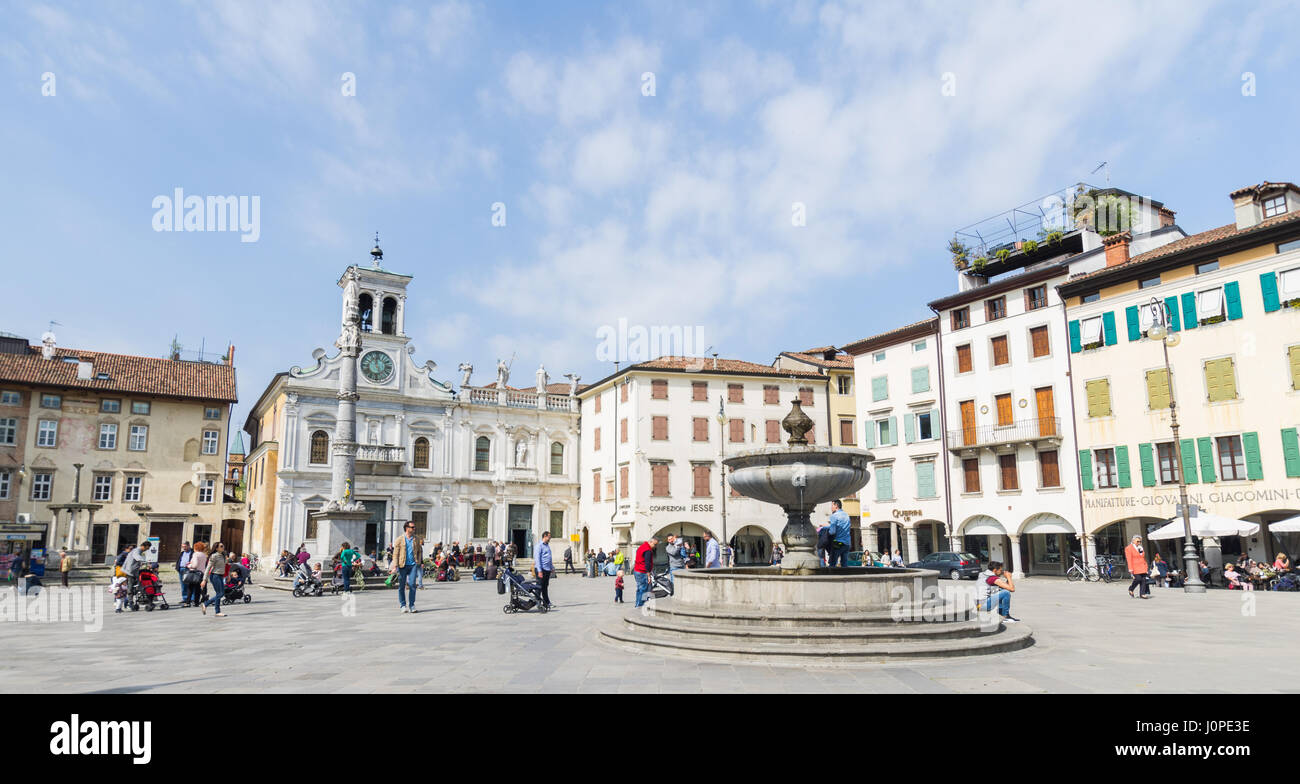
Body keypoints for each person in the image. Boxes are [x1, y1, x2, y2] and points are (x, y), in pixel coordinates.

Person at [390, 520, 424, 613]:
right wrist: (395, 566)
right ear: (407, 528)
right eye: (412, 527)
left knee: (412, 585)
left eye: (414, 527)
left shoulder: (416, 539)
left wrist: (420, 561)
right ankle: (403, 605)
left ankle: (412, 605)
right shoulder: (399, 539)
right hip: (402, 565)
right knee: (401, 585)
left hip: (413, 565)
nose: (414, 529)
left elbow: (420, 550)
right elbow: (395, 554)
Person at [200, 541, 229, 617]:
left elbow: (226, 566)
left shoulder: (223, 555)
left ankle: (217, 611)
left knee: (219, 593)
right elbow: (208, 568)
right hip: (215, 576)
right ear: (216, 548)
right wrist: (204, 580)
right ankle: (205, 604)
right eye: (221, 546)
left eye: (223, 546)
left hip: (220, 576)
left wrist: (228, 575)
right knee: (221, 593)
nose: (223, 547)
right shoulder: (213, 556)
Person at [825, 500, 851, 567]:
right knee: (844, 564)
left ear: (836, 506)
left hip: (838, 543)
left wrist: (826, 530)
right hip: (847, 543)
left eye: (832, 505)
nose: (831, 507)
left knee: (832, 564)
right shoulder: (846, 515)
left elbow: (832, 532)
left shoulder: (834, 516)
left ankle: (831, 577)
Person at [633, 536, 658, 607]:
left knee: (639, 589)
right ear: (650, 542)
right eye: (654, 544)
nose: (655, 546)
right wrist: (648, 575)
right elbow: (647, 563)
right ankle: (640, 605)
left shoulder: (642, 546)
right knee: (643, 590)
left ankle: (637, 604)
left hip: (637, 570)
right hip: (642, 572)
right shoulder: (647, 550)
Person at [535, 531, 554, 609]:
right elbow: (537, 559)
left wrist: (552, 567)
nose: (550, 538)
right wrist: (539, 570)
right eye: (549, 536)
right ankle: (537, 602)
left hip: (547, 569)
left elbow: (549, 558)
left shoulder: (547, 546)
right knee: (539, 587)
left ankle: (547, 602)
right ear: (545, 536)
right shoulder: (539, 546)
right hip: (541, 569)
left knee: (545, 586)